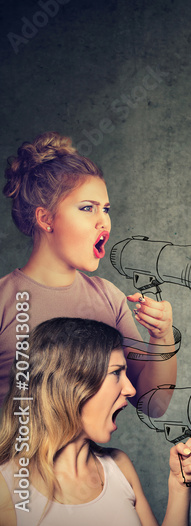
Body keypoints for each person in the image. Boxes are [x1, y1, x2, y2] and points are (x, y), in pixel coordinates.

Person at [0, 132, 177, 414]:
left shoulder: (109, 299)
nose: (103, 221)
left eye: (105, 209)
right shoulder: (4, 301)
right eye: (87, 208)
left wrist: (162, 336)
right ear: (45, 218)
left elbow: (153, 404)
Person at [0, 317, 191, 526]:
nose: (131, 390)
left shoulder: (119, 466)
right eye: (116, 372)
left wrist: (180, 485)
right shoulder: (6, 487)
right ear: (69, 384)